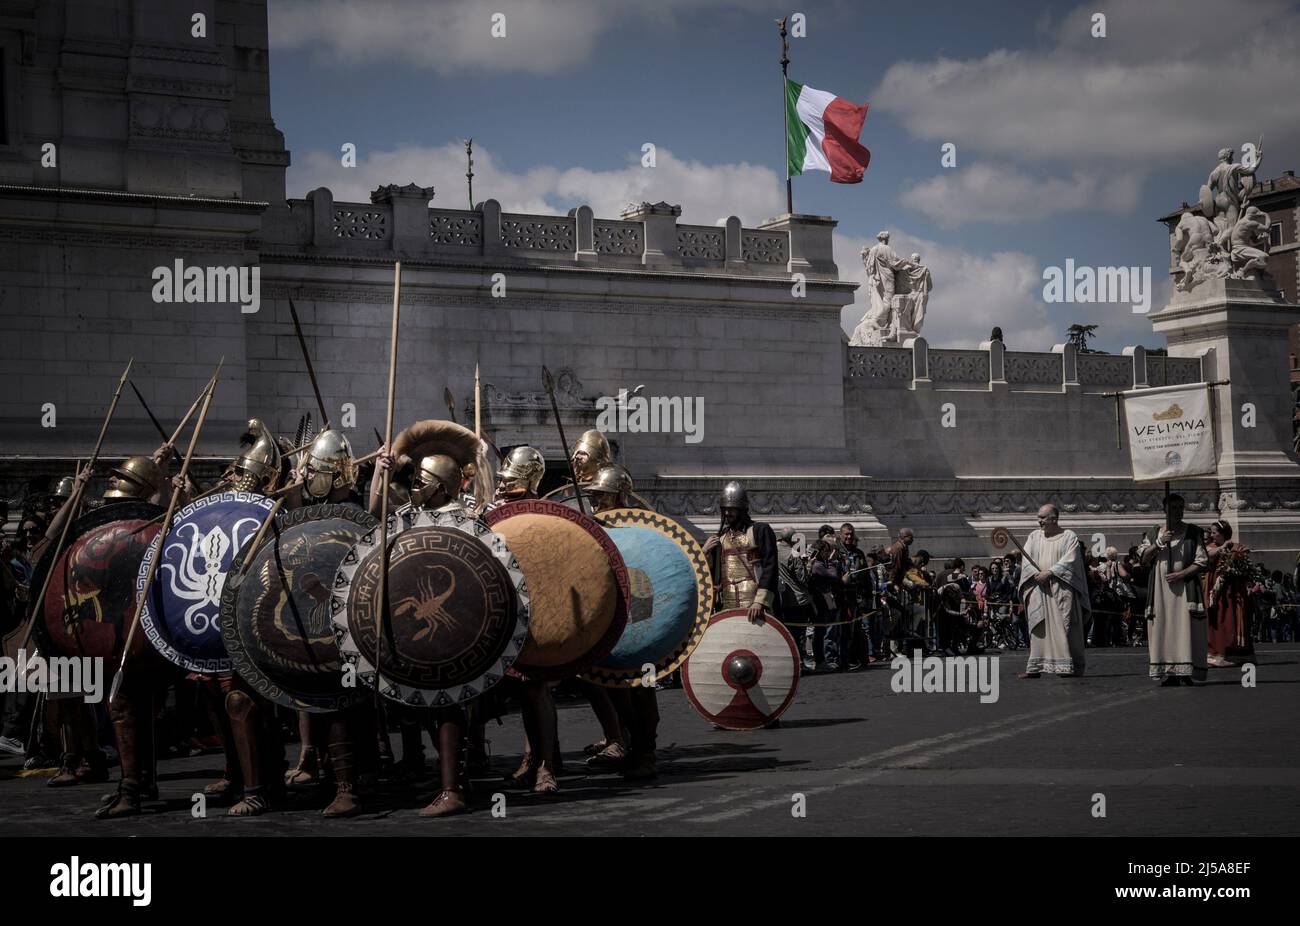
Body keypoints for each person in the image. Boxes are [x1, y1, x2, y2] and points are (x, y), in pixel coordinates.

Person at [1139, 494, 1208, 686]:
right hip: (1161, 591)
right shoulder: (1153, 533)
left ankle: (1185, 671)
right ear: (1165, 510)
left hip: (1185, 589)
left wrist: (1182, 574)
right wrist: (1160, 543)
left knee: (1184, 628)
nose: (1177, 511)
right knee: (1164, 628)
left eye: (1180, 507)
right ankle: (1169, 671)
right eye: (1173, 508)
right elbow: (1143, 559)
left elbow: (1202, 561)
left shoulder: (1193, 532)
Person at [1016, 504, 1089, 679]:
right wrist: (1036, 575)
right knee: (1039, 628)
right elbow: (1026, 561)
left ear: (1054, 519)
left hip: (1060, 589)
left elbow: (1071, 560)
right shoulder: (1034, 536)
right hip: (1039, 589)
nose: (1039, 521)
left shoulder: (1068, 536)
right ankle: (1036, 666)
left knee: (1064, 628)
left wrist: (1050, 573)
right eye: (1038, 517)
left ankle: (1066, 666)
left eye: (1043, 517)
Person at [1204, 520, 1254, 667]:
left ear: (1224, 533)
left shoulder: (1237, 548)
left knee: (1231, 619)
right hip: (1216, 591)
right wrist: (1222, 548)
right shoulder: (1211, 547)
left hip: (1232, 591)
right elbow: (1207, 555)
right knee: (1217, 619)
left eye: (1215, 533)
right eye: (1211, 532)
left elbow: (1245, 566)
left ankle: (1236, 654)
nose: (1212, 535)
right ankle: (1217, 653)